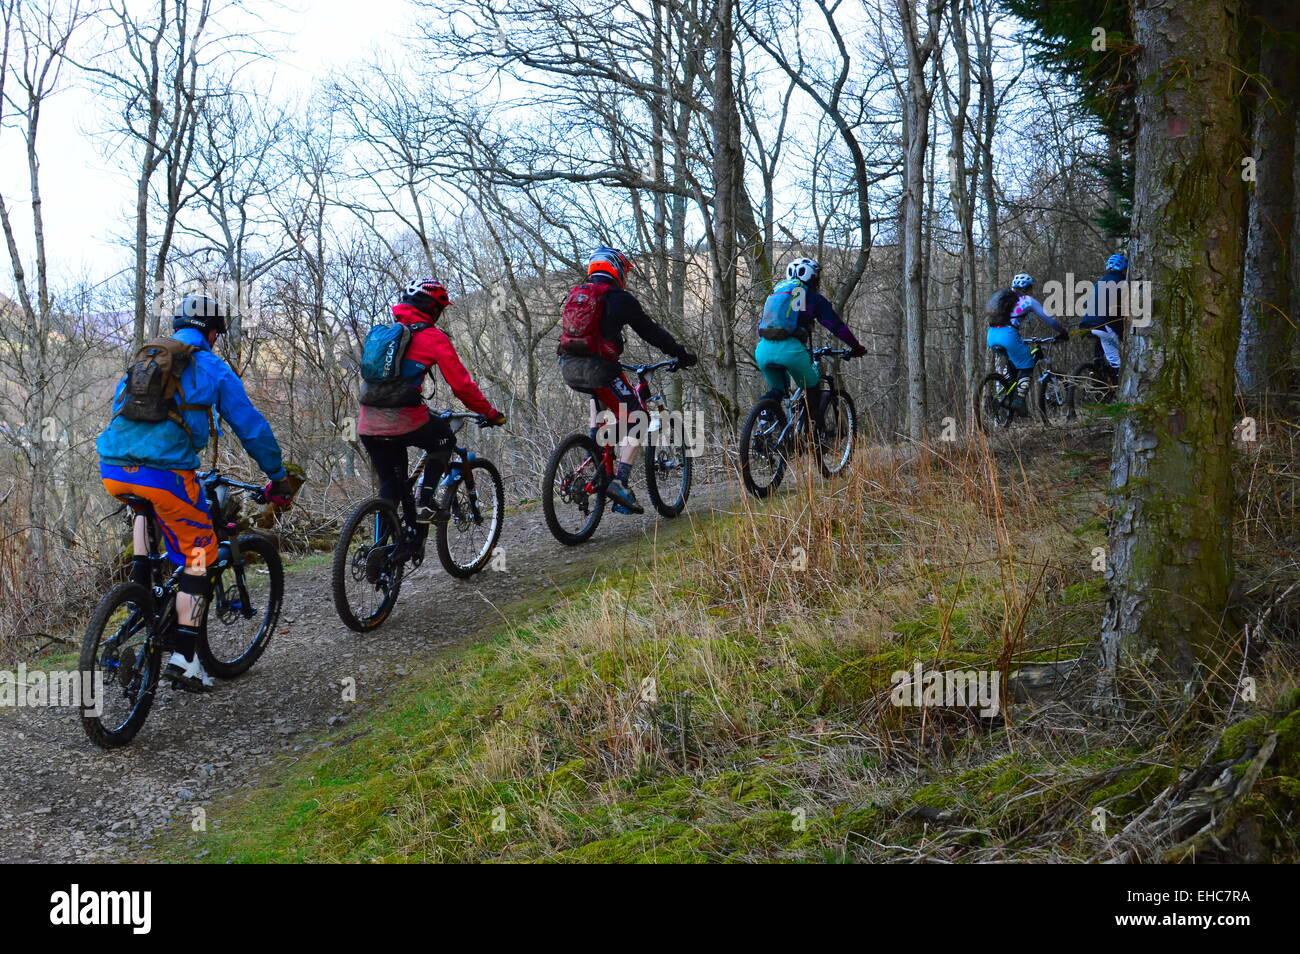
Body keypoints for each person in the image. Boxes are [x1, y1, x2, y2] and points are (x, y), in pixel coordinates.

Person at [97, 294, 295, 690]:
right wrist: (277, 476)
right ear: (212, 333)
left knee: (144, 509)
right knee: (200, 555)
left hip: (114, 469)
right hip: (166, 475)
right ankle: (186, 659)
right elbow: (251, 427)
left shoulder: (144, 362)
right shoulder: (211, 367)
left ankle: (141, 595)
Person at [358, 279, 505, 559]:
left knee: (391, 484)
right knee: (444, 439)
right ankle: (426, 501)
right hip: (404, 420)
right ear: (432, 309)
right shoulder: (432, 337)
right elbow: (462, 386)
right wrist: (489, 413)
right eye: (440, 310)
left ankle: (381, 550)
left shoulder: (384, 333)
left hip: (367, 422)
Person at [557, 245, 697, 516]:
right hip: (599, 369)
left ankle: (594, 447)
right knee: (638, 417)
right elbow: (651, 332)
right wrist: (680, 354)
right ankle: (619, 482)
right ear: (616, 268)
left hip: (568, 366)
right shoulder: (619, 298)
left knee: (600, 399)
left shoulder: (576, 294)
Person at [754, 257, 868, 412]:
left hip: (762, 350)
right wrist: (856, 347)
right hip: (791, 351)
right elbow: (835, 326)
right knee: (812, 387)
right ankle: (811, 432)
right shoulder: (813, 298)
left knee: (777, 391)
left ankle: (762, 423)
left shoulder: (776, 293)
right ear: (812, 277)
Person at [986, 272, 1068, 413]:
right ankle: (1019, 401)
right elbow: (1049, 320)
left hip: (992, 335)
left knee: (1014, 364)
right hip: (1008, 335)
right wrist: (1062, 331)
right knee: (1028, 364)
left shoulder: (1003, 299)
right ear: (1026, 289)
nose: (1032, 291)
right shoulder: (1028, 301)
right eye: (1031, 288)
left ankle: (1003, 395)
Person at [1079, 253, 1128, 386]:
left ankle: (1098, 374)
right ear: (1125, 269)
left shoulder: (1100, 282)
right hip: (1105, 325)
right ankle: (1119, 389)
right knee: (1120, 358)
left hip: (1087, 324)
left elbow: (1086, 304)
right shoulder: (1123, 283)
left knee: (1109, 353)